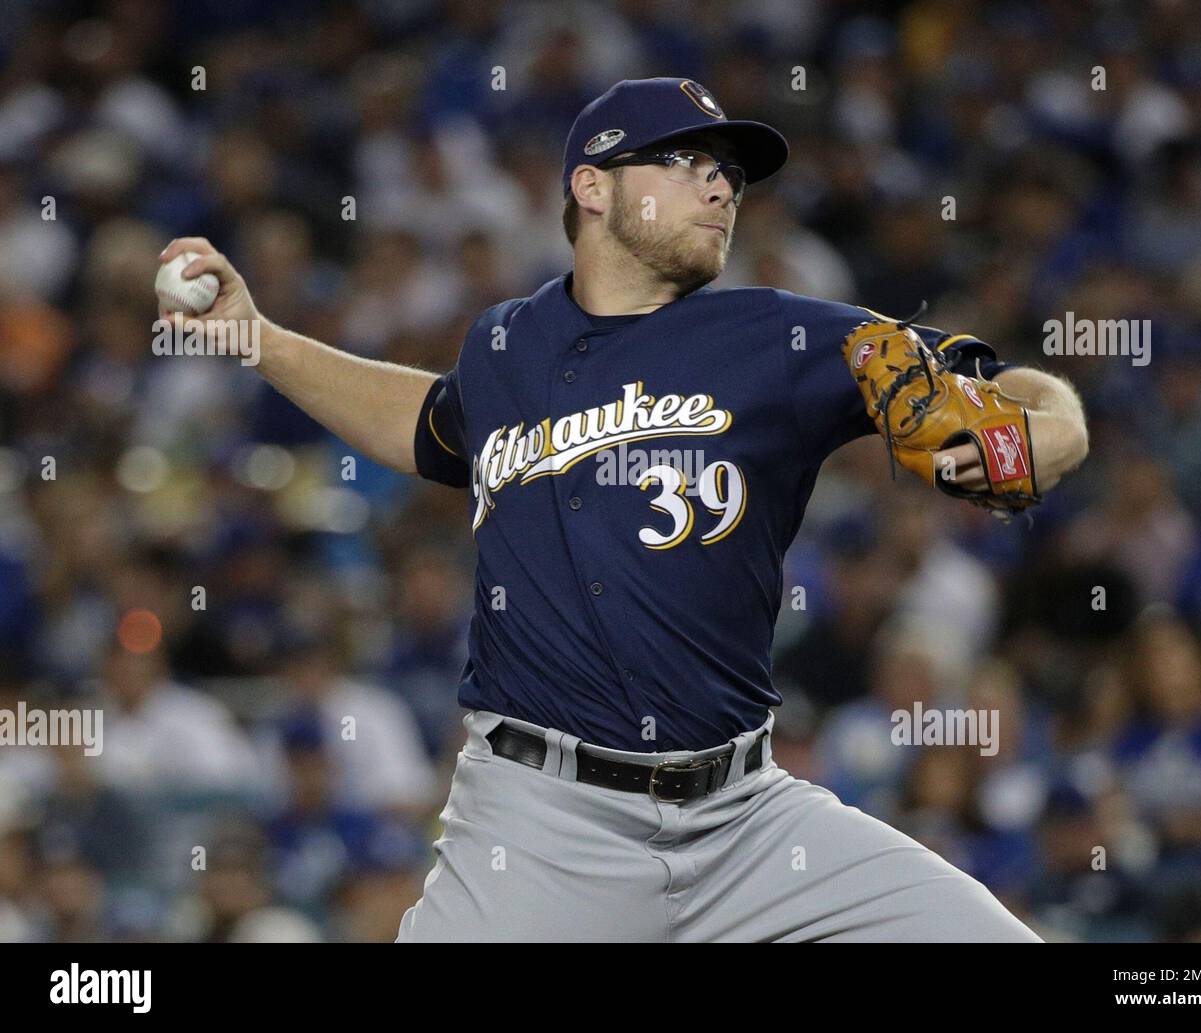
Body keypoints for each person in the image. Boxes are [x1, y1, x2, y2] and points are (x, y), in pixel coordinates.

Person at [159, 78, 1088, 942]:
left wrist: (1039, 436)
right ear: (593, 187)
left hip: (747, 820)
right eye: (686, 163)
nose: (720, 187)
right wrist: (260, 338)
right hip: (536, 826)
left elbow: (1019, 396)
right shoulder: (506, 345)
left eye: (728, 173)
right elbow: (432, 424)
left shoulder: (786, 337)